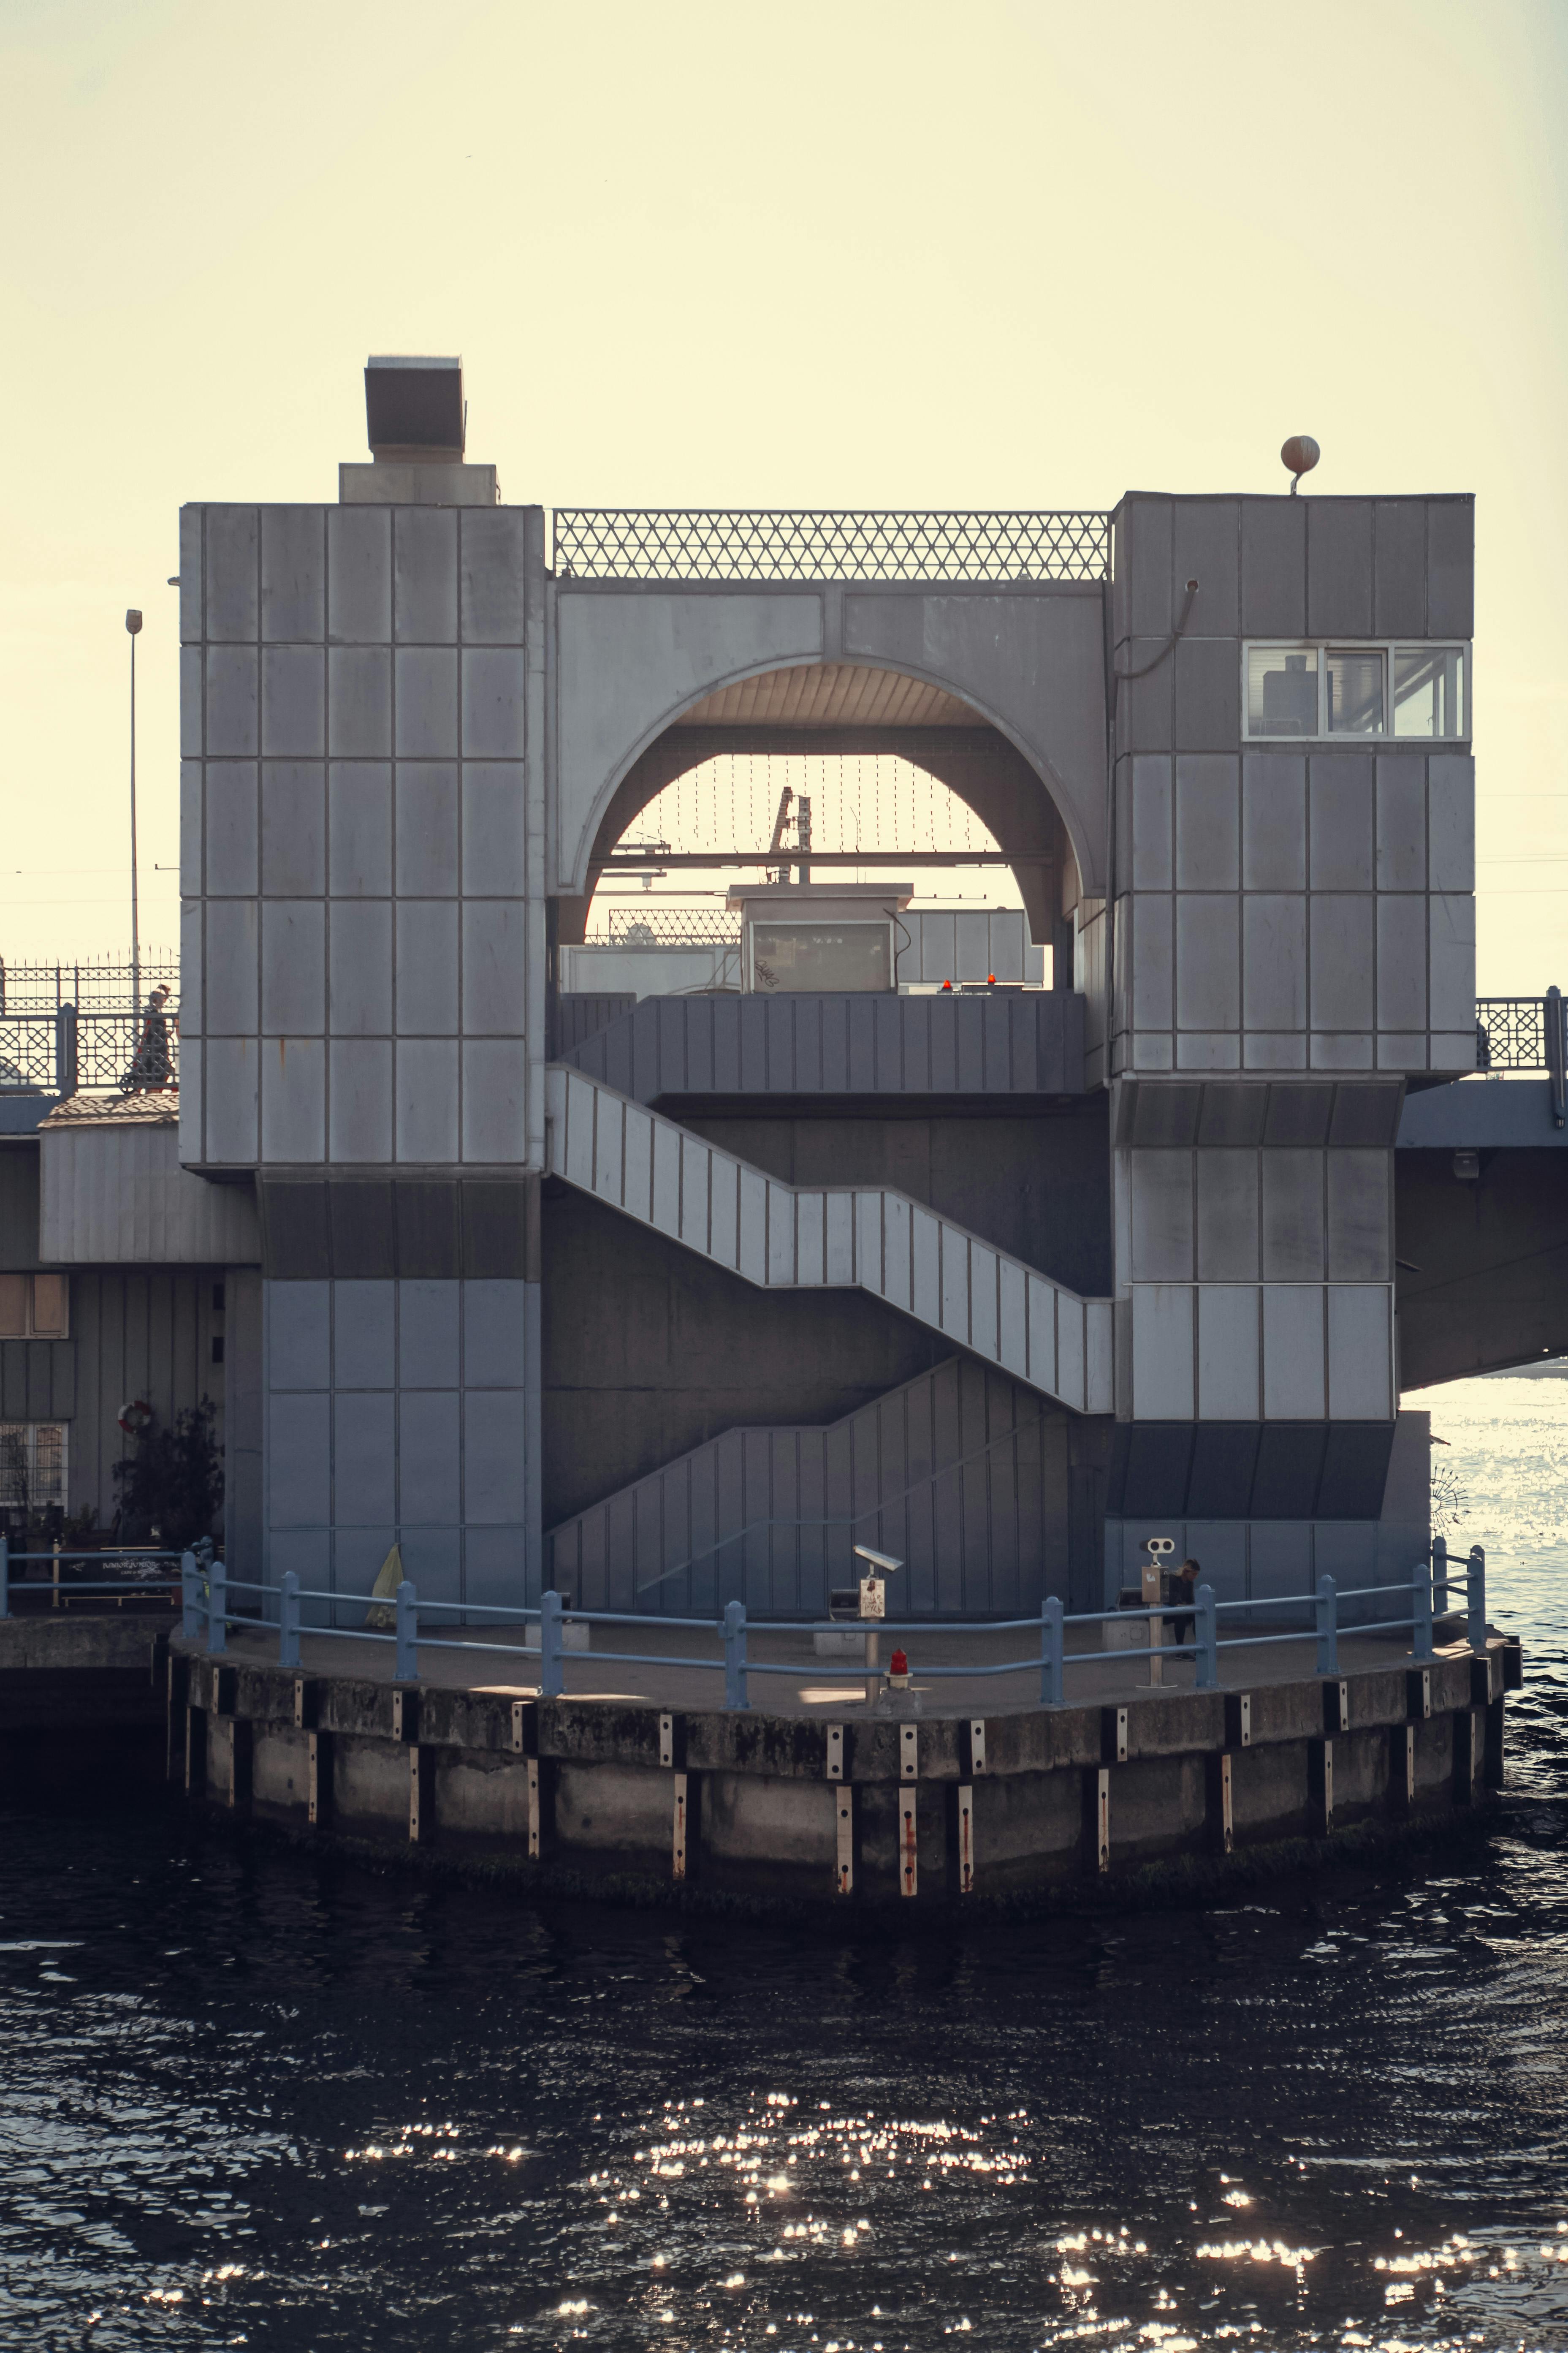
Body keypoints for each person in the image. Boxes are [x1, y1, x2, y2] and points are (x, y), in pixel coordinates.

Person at [121, 983, 174, 1093]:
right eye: (163, 999)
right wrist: (167, 1033)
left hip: (155, 1051)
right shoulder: (155, 1015)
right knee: (159, 1076)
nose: (164, 1001)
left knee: (164, 1073)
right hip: (156, 1051)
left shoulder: (152, 1013)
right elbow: (154, 1033)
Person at [1169, 1557, 1200, 1650]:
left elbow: (1190, 1600)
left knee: (1198, 1616)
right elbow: (1172, 1601)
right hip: (1169, 1610)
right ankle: (1180, 1650)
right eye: (1194, 1574)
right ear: (1186, 1572)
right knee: (1181, 1615)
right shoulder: (1173, 1579)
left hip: (1181, 1609)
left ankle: (1200, 1646)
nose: (1195, 1577)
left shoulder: (1190, 1583)